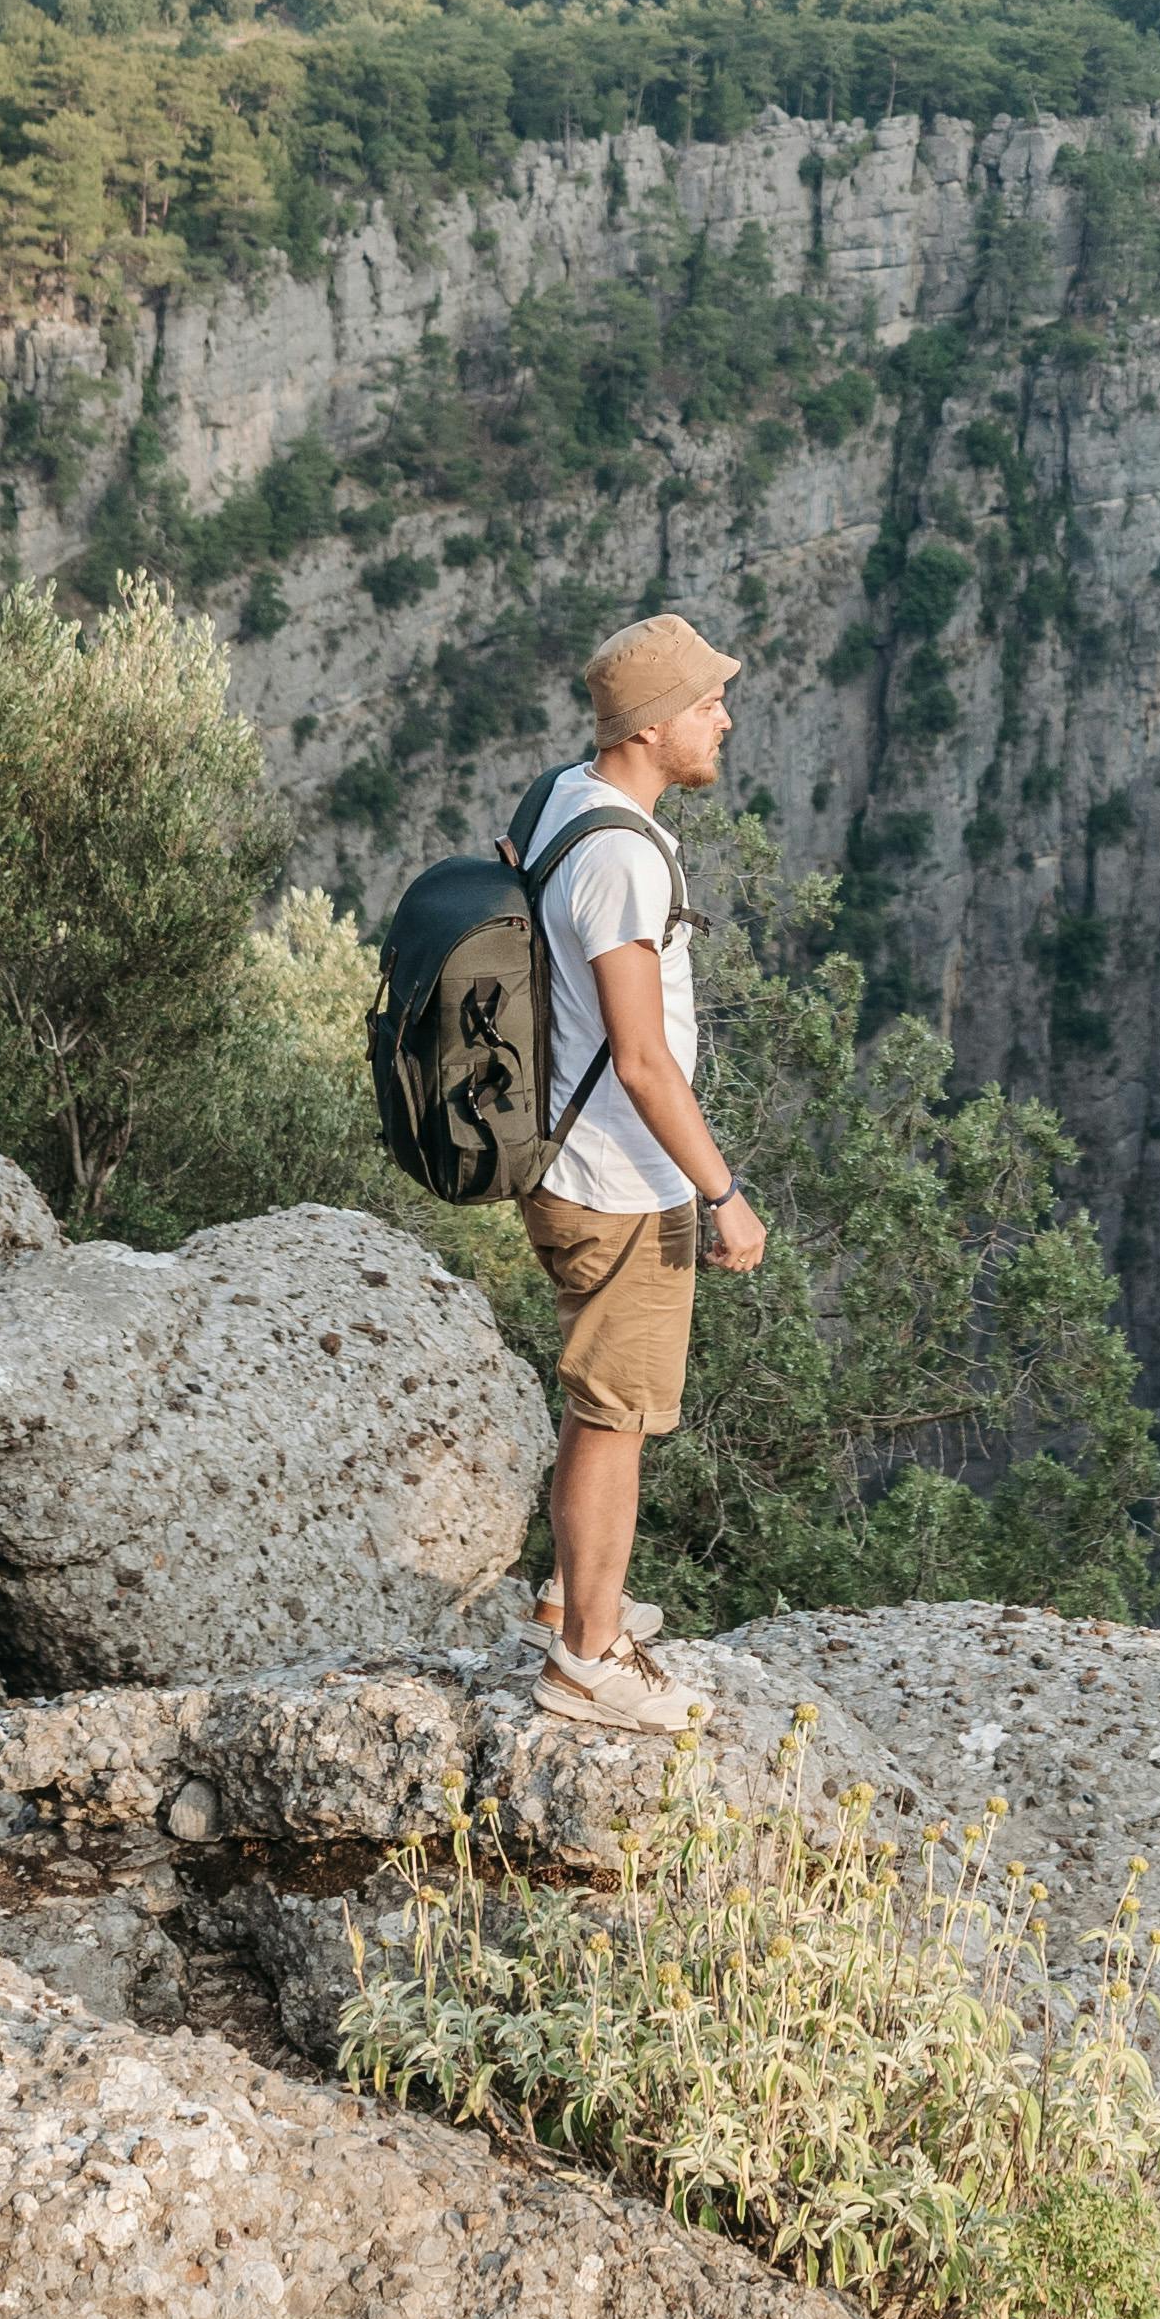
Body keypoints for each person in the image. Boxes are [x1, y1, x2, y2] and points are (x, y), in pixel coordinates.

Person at [518, 607, 766, 1729]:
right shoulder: (620, 857)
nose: (722, 718)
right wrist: (722, 1190)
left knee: (599, 1400)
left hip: (571, 1160)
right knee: (617, 1414)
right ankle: (588, 1659)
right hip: (621, 1182)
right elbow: (641, 1059)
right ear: (657, 723)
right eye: (708, 702)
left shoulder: (568, 797)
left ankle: (574, 1593)